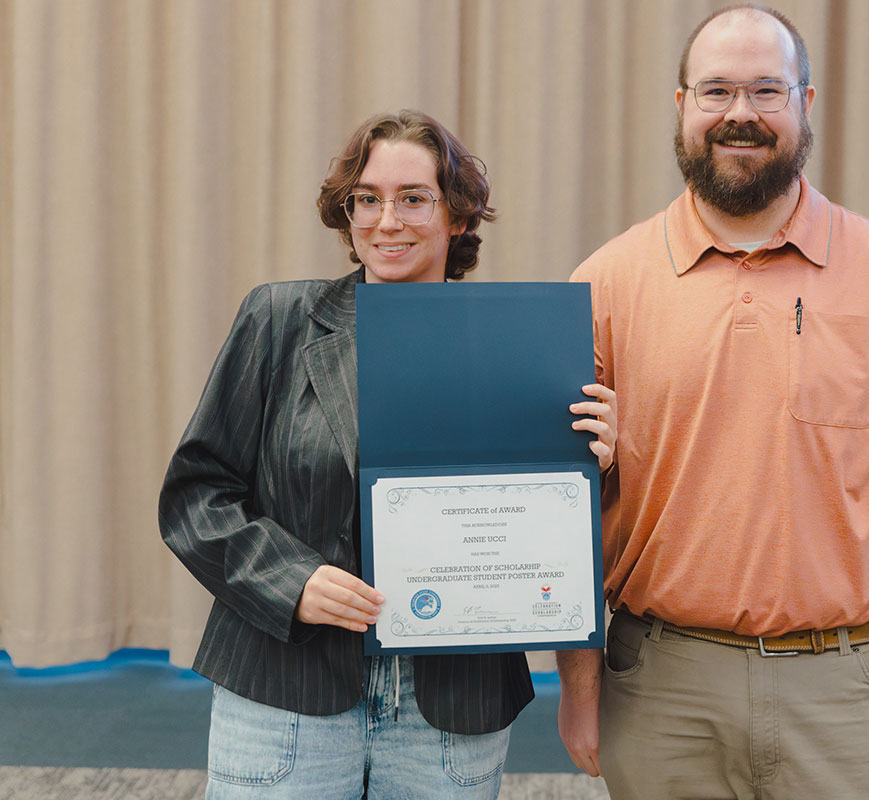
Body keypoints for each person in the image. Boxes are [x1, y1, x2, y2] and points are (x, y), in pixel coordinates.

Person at [557, 5, 869, 798]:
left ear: (805, 104)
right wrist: (581, 689)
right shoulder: (604, 284)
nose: (740, 115)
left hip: (851, 690)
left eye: (766, 90)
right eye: (716, 90)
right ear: (682, 103)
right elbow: (568, 501)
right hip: (662, 688)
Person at [160, 109, 616, 799]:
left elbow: (551, 532)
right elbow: (195, 497)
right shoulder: (279, 320)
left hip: (452, 705)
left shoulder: (520, 348)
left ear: (458, 217)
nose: (385, 220)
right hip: (286, 689)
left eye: (413, 198)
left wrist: (595, 469)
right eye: (366, 199)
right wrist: (293, 582)